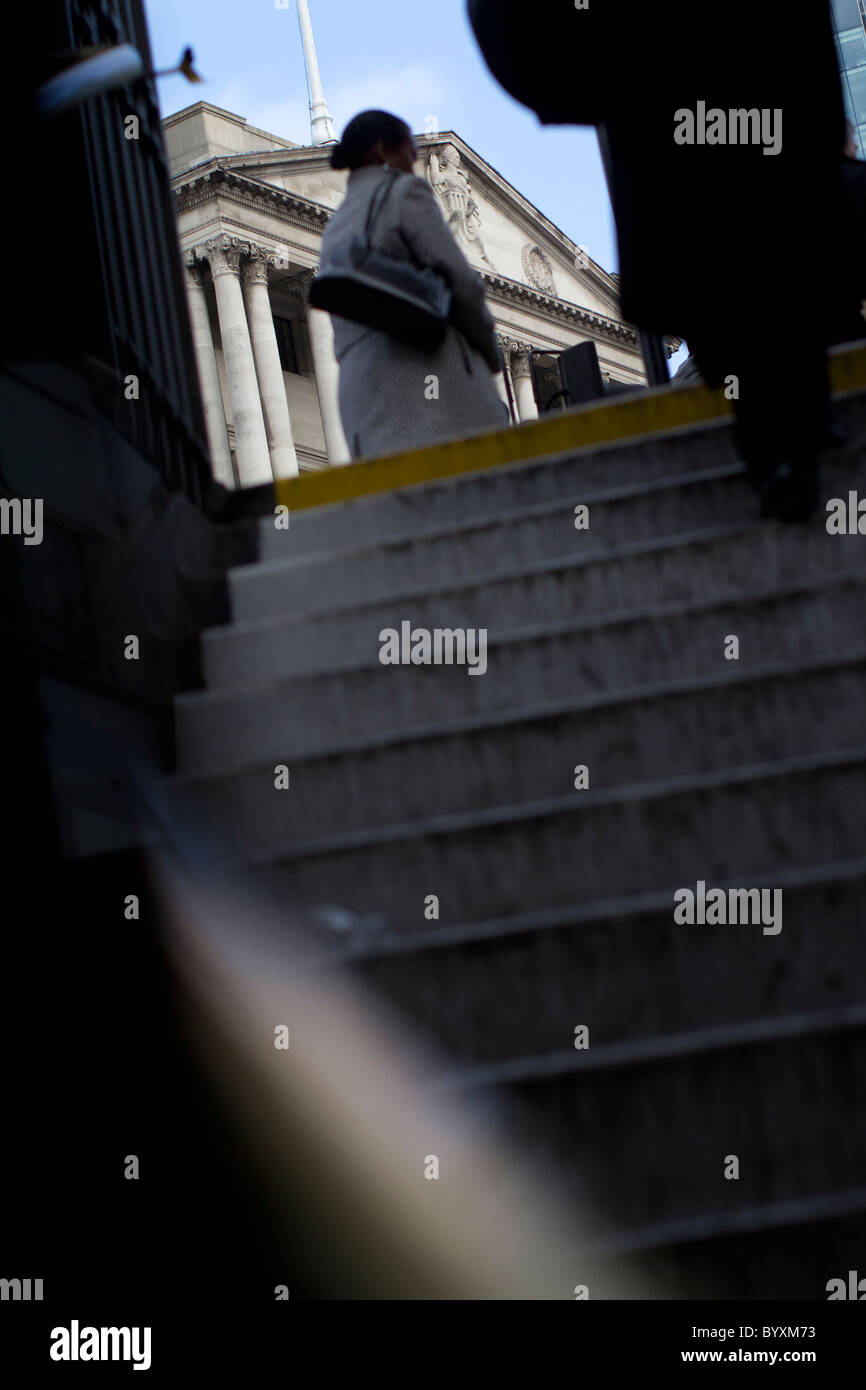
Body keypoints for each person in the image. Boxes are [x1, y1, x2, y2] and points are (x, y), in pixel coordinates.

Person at [467, 0, 856, 521]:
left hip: (729, 199)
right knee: (763, 303)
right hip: (750, 193)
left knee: (758, 306)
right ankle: (787, 429)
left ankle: (782, 433)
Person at [317, 110, 508, 459]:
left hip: (362, 397)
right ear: (383, 151)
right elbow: (461, 282)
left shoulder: (335, 227)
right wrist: (488, 352)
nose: (413, 165)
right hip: (429, 384)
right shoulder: (404, 192)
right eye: (409, 154)